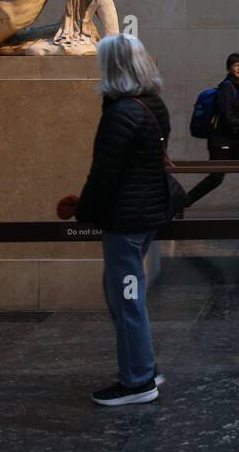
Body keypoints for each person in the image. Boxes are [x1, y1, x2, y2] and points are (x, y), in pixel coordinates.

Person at [71, 33, 168, 407]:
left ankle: (139, 381)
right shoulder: (151, 104)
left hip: (126, 220)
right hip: (145, 214)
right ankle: (142, 365)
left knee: (126, 299)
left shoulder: (121, 113)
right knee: (126, 296)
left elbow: (104, 174)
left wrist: (84, 210)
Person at [185, 53, 239, 218]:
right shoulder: (226, 88)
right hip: (220, 141)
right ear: (229, 68)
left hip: (236, 140)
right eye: (236, 65)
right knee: (215, 178)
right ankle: (181, 204)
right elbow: (227, 117)